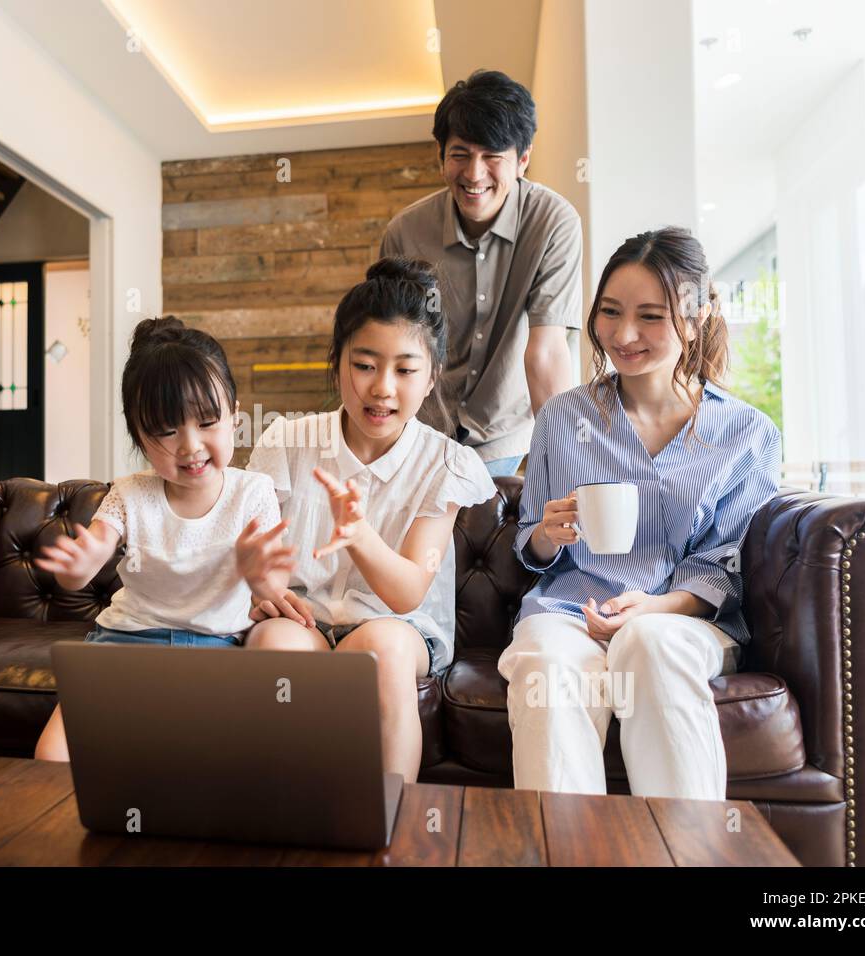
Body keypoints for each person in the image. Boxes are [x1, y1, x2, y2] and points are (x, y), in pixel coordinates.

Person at [501, 227, 781, 799]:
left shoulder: (746, 434)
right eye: (610, 312)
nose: (623, 335)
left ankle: (687, 853)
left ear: (696, 318)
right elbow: (531, 542)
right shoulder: (563, 418)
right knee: (547, 665)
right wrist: (548, 537)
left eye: (650, 317)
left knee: (648, 643)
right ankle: (565, 852)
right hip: (570, 607)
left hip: (683, 619)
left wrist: (654, 607)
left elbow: (725, 566)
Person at [244, 258, 495, 782]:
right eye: (364, 365)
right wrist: (259, 585)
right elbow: (254, 555)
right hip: (304, 618)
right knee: (271, 645)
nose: (382, 388)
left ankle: (393, 821)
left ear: (430, 379)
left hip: (399, 627)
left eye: (405, 370)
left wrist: (358, 536)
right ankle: (283, 815)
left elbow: (408, 591)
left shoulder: (445, 464)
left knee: (380, 650)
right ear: (336, 363)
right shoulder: (285, 444)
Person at [32, 317, 300, 762]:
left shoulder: (253, 492)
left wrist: (258, 576)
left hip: (218, 650)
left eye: (208, 421)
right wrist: (74, 566)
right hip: (123, 645)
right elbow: (86, 562)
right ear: (139, 435)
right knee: (52, 758)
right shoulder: (130, 493)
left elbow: (273, 591)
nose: (190, 446)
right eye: (166, 431)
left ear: (235, 415)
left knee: (205, 761)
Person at [380, 69, 583, 478]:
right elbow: (392, 346)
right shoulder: (405, 232)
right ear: (441, 157)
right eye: (460, 154)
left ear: (522, 160)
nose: (474, 174)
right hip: (421, 439)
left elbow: (546, 352)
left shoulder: (553, 221)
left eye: (493, 156)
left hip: (506, 440)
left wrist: (564, 465)